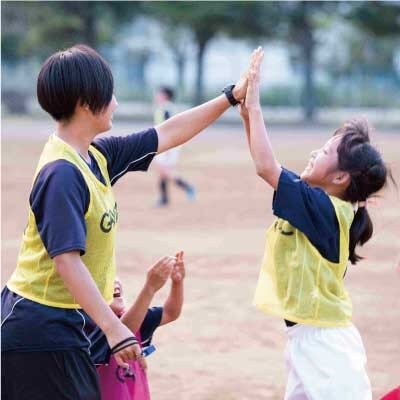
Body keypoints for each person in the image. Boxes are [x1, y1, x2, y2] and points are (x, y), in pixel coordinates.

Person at [1, 43, 253, 400]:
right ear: (85, 103)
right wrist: (114, 329)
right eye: (110, 94)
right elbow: (66, 261)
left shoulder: (96, 156)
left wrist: (231, 96)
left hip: (69, 325)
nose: (116, 103)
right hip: (39, 331)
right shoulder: (62, 173)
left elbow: (167, 134)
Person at [239, 48, 392, 400]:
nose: (313, 153)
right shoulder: (319, 204)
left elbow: (266, 167)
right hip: (307, 338)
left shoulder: (324, 209)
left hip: (326, 345)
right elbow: (266, 163)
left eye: (323, 152)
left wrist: (256, 104)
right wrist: (247, 112)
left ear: (340, 177)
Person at [89, 251, 185, 400]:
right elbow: (122, 332)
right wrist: (149, 288)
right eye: (105, 278)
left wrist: (177, 283)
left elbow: (170, 312)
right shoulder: (86, 328)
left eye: (114, 275)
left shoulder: (136, 319)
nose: (114, 281)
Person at [153, 86, 196, 206]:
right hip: (166, 143)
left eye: (159, 93)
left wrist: (167, 147)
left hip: (167, 144)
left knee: (164, 171)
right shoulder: (165, 108)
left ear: (165, 95)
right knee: (162, 172)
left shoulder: (166, 109)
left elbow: (169, 129)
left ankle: (188, 187)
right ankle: (164, 199)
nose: (156, 96)